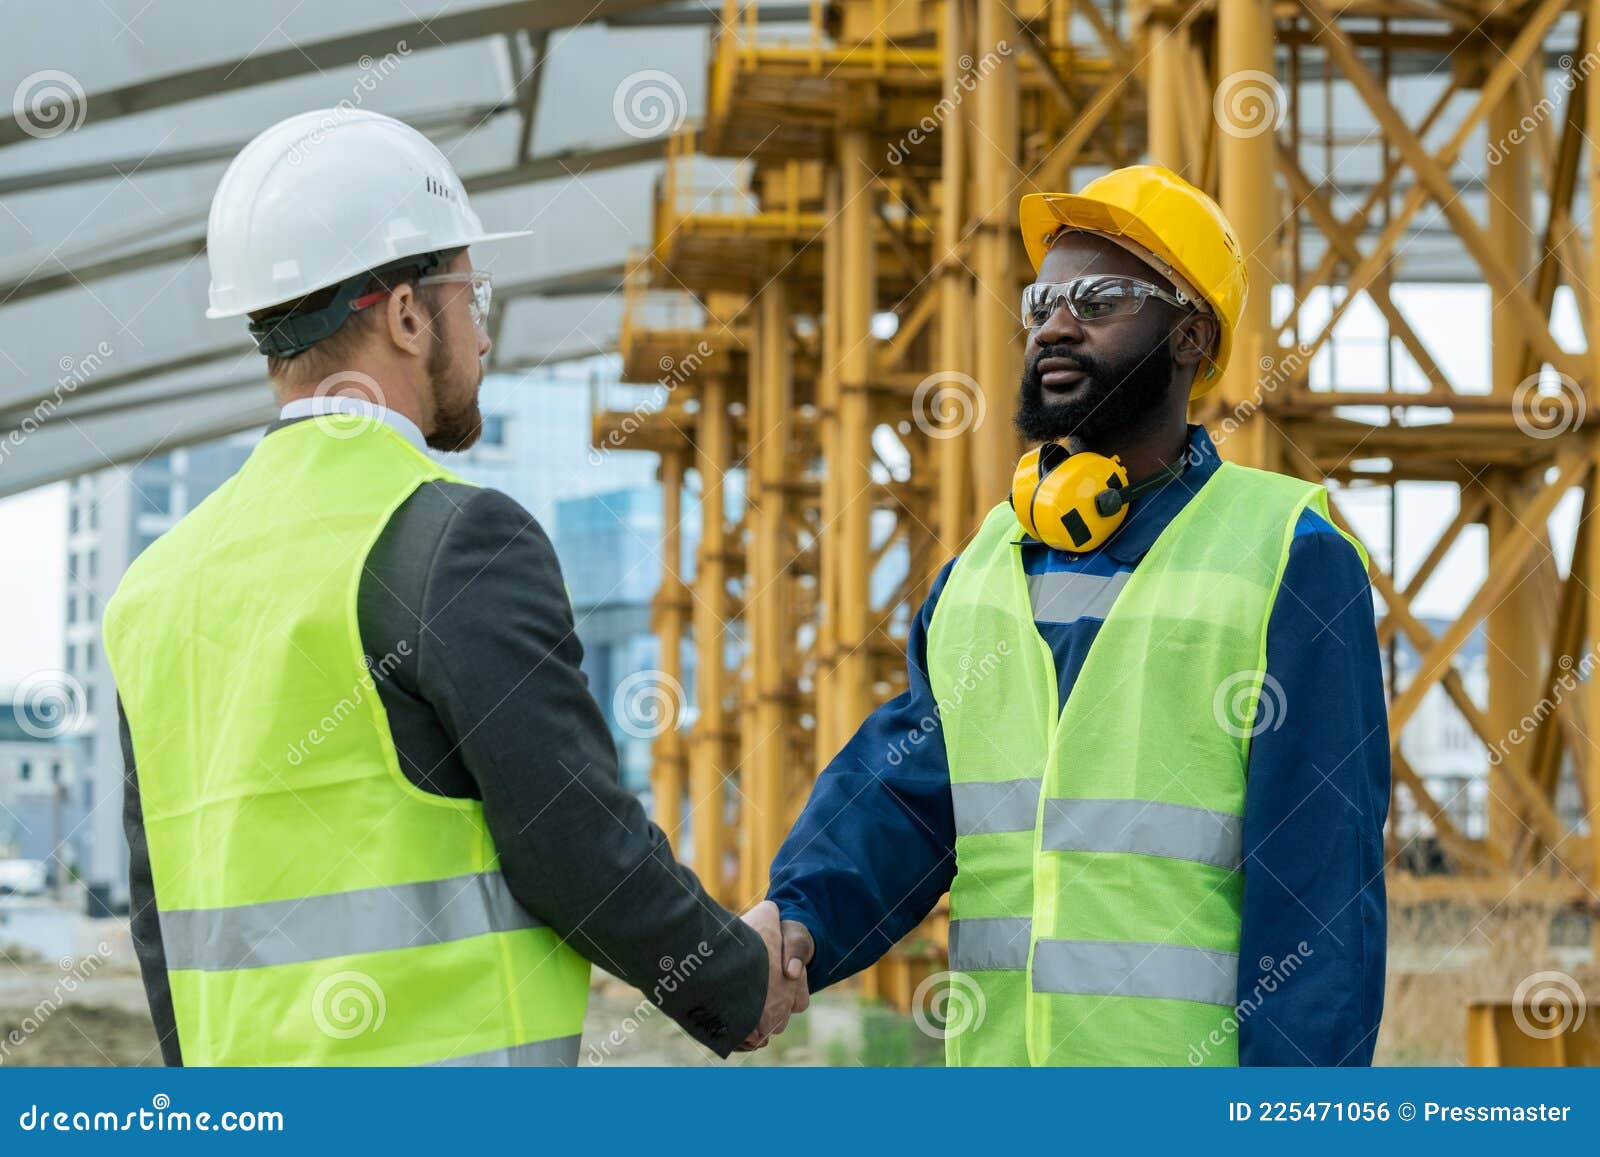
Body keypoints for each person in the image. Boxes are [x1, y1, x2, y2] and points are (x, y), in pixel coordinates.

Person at [103, 109, 804, 1066]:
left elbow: (161, 925)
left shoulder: (154, 588)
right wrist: (735, 976)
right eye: (472, 295)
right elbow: (574, 844)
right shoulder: (455, 538)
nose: (481, 332)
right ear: (402, 314)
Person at [763, 165, 1389, 1066]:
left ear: (1188, 333)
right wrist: (795, 920)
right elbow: (903, 795)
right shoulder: (982, 567)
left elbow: (1323, 894)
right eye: (1042, 299)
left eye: (1098, 297)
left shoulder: (1287, 553)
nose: (1056, 323)